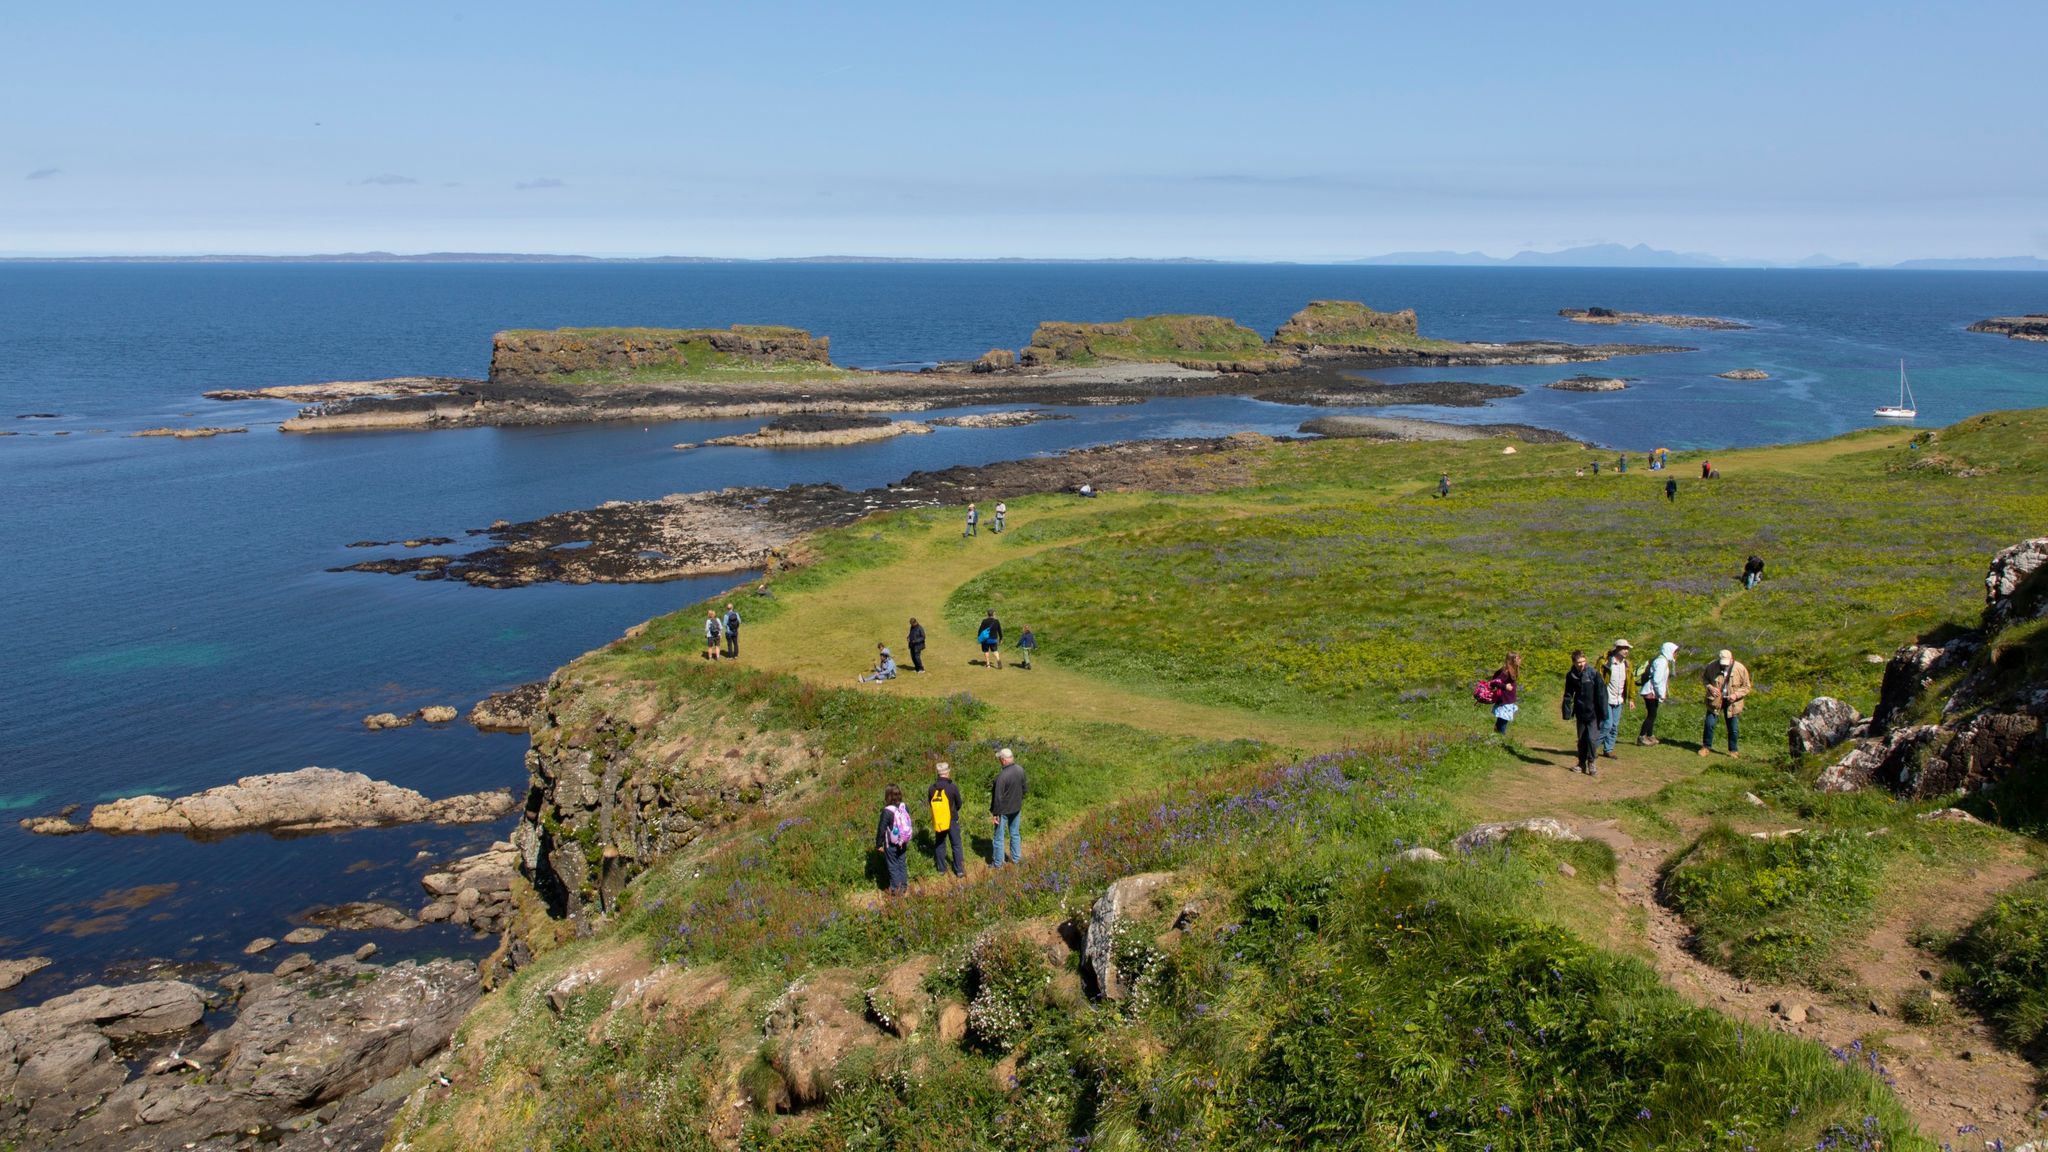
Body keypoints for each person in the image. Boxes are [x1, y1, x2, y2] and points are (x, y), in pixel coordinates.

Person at [1561, 650, 1611, 775]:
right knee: (1582, 739)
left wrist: (1604, 712)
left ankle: (1592, 762)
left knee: (1592, 739)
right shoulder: (1571, 675)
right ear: (1574, 662)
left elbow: (1602, 694)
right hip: (1580, 711)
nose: (1582, 664)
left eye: (1583, 661)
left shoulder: (1593, 674)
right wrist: (1567, 712)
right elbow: (1568, 694)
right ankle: (1581, 764)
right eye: (1579, 662)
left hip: (1594, 712)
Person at [1700, 648, 1752, 757]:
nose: (1724, 666)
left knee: (1733, 728)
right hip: (1714, 701)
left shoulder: (1740, 668)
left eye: (1726, 663)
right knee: (1709, 724)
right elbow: (1704, 679)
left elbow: (1747, 686)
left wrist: (1736, 695)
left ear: (1732, 660)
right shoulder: (1711, 666)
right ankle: (1706, 747)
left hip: (1732, 702)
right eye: (1722, 663)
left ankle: (1733, 750)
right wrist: (1710, 687)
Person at [1597, 639, 1634, 758]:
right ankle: (1591, 747)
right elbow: (1597, 678)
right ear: (1616, 648)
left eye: (1627, 648)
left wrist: (1631, 699)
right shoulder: (1605, 662)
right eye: (1623, 648)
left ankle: (1608, 749)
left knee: (1614, 726)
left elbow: (1630, 682)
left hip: (1619, 699)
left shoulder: (1627, 664)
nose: (1626, 651)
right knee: (1607, 725)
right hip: (1606, 698)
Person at [873, 784, 913, 894]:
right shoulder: (904, 807)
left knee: (893, 865)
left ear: (888, 796)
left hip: (891, 843)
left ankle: (896, 889)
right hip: (903, 841)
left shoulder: (887, 811)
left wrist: (878, 845)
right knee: (901, 863)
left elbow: (881, 829)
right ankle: (904, 886)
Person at [927, 763, 965, 878]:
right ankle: (959, 870)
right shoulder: (952, 787)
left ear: (938, 773)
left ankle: (941, 869)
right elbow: (959, 803)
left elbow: (931, 804)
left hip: (939, 820)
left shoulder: (932, 788)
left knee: (939, 843)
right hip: (952, 819)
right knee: (956, 844)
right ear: (947, 772)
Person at [989, 748, 1026, 867]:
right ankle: (1016, 859)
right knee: (1015, 833)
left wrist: (995, 814)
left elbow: (997, 798)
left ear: (1004, 760)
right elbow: (1024, 789)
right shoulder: (1020, 770)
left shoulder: (1002, 776)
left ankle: (998, 863)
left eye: (1000, 759)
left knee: (998, 837)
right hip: (1016, 808)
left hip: (1003, 811)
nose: (999, 761)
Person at [1637, 641, 1677, 745]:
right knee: (1651, 715)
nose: (1675, 654)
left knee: (1653, 714)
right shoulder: (1661, 662)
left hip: (1653, 691)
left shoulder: (1662, 660)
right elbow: (1657, 680)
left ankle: (1649, 735)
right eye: (1674, 652)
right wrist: (1661, 695)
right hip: (1651, 691)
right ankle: (1642, 737)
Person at [1487, 652, 1521, 737]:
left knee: (1502, 721)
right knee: (1503, 721)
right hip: (1504, 700)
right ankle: (1500, 738)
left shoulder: (1512, 670)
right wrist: (1504, 686)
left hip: (1508, 700)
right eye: (1518, 658)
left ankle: (1496, 737)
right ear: (1512, 660)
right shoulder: (1505, 671)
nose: (1520, 660)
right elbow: (1495, 682)